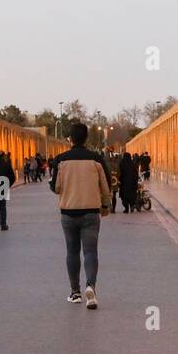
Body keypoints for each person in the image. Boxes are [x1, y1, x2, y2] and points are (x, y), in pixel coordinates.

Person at [50, 122, 112, 308]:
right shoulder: (96, 159)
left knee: (72, 251)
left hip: (68, 213)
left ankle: (75, 292)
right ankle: (90, 287)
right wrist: (105, 205)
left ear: (70, 138)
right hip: (91, 213)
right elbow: (105, 185)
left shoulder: (61, 160)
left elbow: (56, 187)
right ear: (86, 138)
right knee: (91, 251)